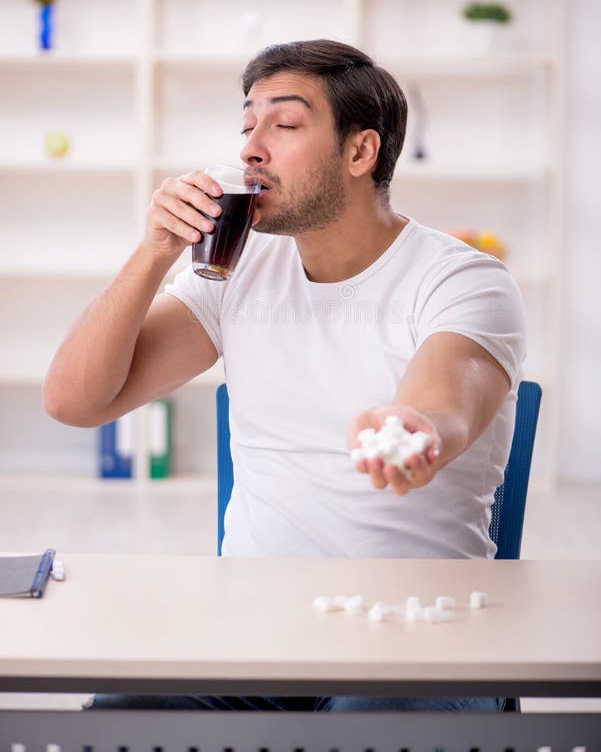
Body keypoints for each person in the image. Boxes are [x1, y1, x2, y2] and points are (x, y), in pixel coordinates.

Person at [44, 39, 526, 714]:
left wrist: (411, 428)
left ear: (360, 153)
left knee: (362, 730)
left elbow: (446, 397)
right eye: (247, 125)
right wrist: (154, 252)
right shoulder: (234, 270)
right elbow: (73, 401)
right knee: (122, 713)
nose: (250, 149)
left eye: (285, 125)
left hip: (416, 628)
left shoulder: (461, 278)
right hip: (255, 623)